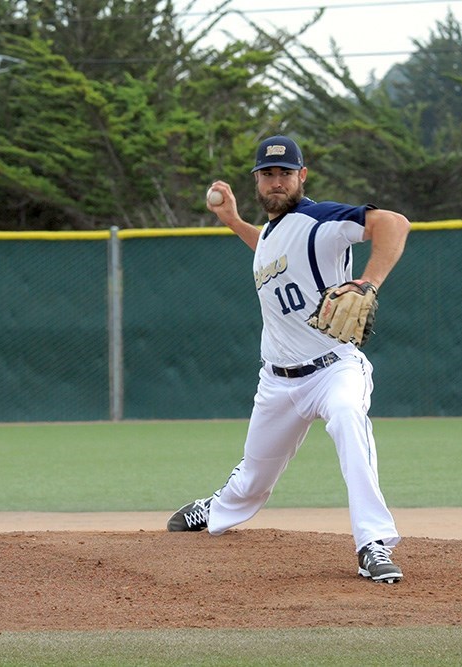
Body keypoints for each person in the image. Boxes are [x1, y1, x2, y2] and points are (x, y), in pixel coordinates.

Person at [167, 135, 411, 583]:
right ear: (257, 181)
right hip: (277, 382)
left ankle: (373, 542)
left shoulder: (321, 218)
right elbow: (269, 246)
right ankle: (217, 508)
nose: (276, 181)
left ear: (302, 175)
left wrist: (367, 283)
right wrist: (233, 220)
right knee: (253, 479)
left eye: (285, 172)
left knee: (347, 419)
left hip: (334, 367)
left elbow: (394, 223)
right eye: (268, 174)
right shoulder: (274, 234)